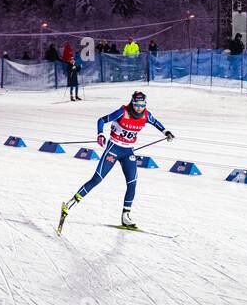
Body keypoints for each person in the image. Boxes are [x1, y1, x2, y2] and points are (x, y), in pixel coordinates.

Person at [58, 90, 174, 233]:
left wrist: (166, 132)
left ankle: (126, 216)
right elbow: (101, 120)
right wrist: (100, 134)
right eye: (137, 104)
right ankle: (69, 204)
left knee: (132, 182)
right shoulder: (122, 112)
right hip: (114, 148)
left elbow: (156, 122)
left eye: (142, 105)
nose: (139, 108)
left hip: (128, 151)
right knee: (97, 179)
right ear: (132, 103)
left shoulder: (146, 115)